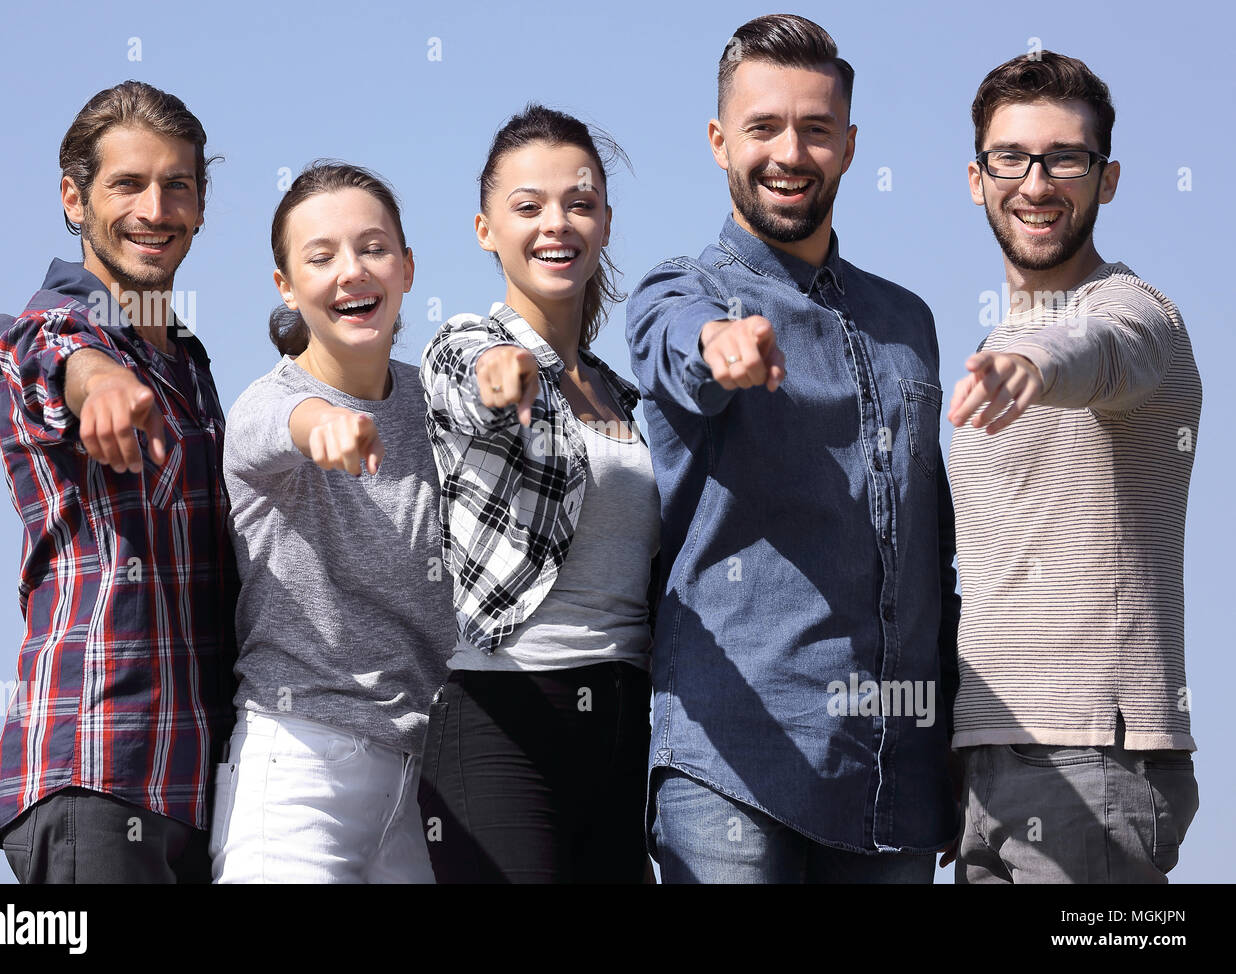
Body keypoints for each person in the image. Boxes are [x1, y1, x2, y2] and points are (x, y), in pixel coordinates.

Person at [626, 14, 960, 883]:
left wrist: (956, 746)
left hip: (896, 781)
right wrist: (718, 349)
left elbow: (933, 548)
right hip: (732, 769)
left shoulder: (908, 324)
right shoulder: (684, 288)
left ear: (849, 146)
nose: (790, 152)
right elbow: (673, 342)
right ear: (718, 142)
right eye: (763, 127)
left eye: (815, 129)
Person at [946, 52, 1201, 883]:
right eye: (1011, 158)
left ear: (1108, 178)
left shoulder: (1136, 312)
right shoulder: (990, 353)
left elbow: (1101, 350)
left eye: (1067, 158)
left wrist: (1042, 366)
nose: (1038, 181)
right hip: (985, 761)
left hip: (1095, 759)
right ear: (976, 178)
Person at [0, 81, 237, 883]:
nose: (154, 208)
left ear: (200, 204)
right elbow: (39, 351)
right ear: (74, 198)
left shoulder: (192, 369)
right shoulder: (59, 330)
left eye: (177, 185)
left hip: (202, 786)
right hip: (100, 767)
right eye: (127, 184)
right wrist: (96, 380)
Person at [417, 105, 658, 883]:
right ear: (486, 229)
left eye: (578, 203)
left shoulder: (627, 398)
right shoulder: (463, 343)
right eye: (528, 207)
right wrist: (503, 375)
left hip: (629, 729)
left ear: (607, 223)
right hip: (506, 721)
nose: (556, 224)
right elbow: (467, 373)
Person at [208, 162, 451, 883]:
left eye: (374, 249)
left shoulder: (438, 403)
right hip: (298, 768)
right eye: (321, 257)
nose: (353, 271)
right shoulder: (267, 401)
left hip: (424, 782)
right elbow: (281, 425)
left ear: (406, 268)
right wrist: (325, 426)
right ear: (286, 285)